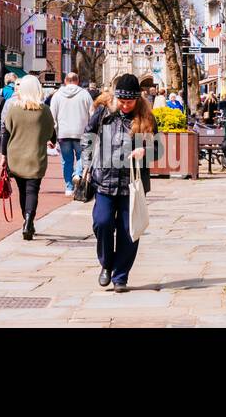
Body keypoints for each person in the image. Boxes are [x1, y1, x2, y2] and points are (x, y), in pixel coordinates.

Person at [80, 73, 157, 292]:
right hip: (104, 179)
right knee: (102, 223)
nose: (125, 106)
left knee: (128, 230)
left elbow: (158, 148)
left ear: (137, 100)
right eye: (122, 102)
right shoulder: (104, 112)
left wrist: (146, 150)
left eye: (129, 102)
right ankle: (106, 264)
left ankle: (120, 276)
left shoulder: (147, 117)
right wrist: (85, 163)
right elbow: (88, 135)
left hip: (132, 184)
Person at [3, 75, 56, 240]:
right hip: (36, 156)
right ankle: (29, 220)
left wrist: (4, 156)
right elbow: (51, 133)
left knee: (22, 190)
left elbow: (6, 133)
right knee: (33, 190)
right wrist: (51, 141)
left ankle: (26, 221)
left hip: (16, 156)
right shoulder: (44, 110)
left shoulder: (13, 109)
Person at [51, 71, 94, 196]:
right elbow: (92, 114)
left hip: (63, 133)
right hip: (81, 132)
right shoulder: (85, 94)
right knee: (82, 156)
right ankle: (78, 173)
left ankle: (69, 187)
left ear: (65, 81)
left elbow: (52, 116)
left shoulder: (57, 95)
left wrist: (54, 132)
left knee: (66, 160)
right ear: (78, 81)